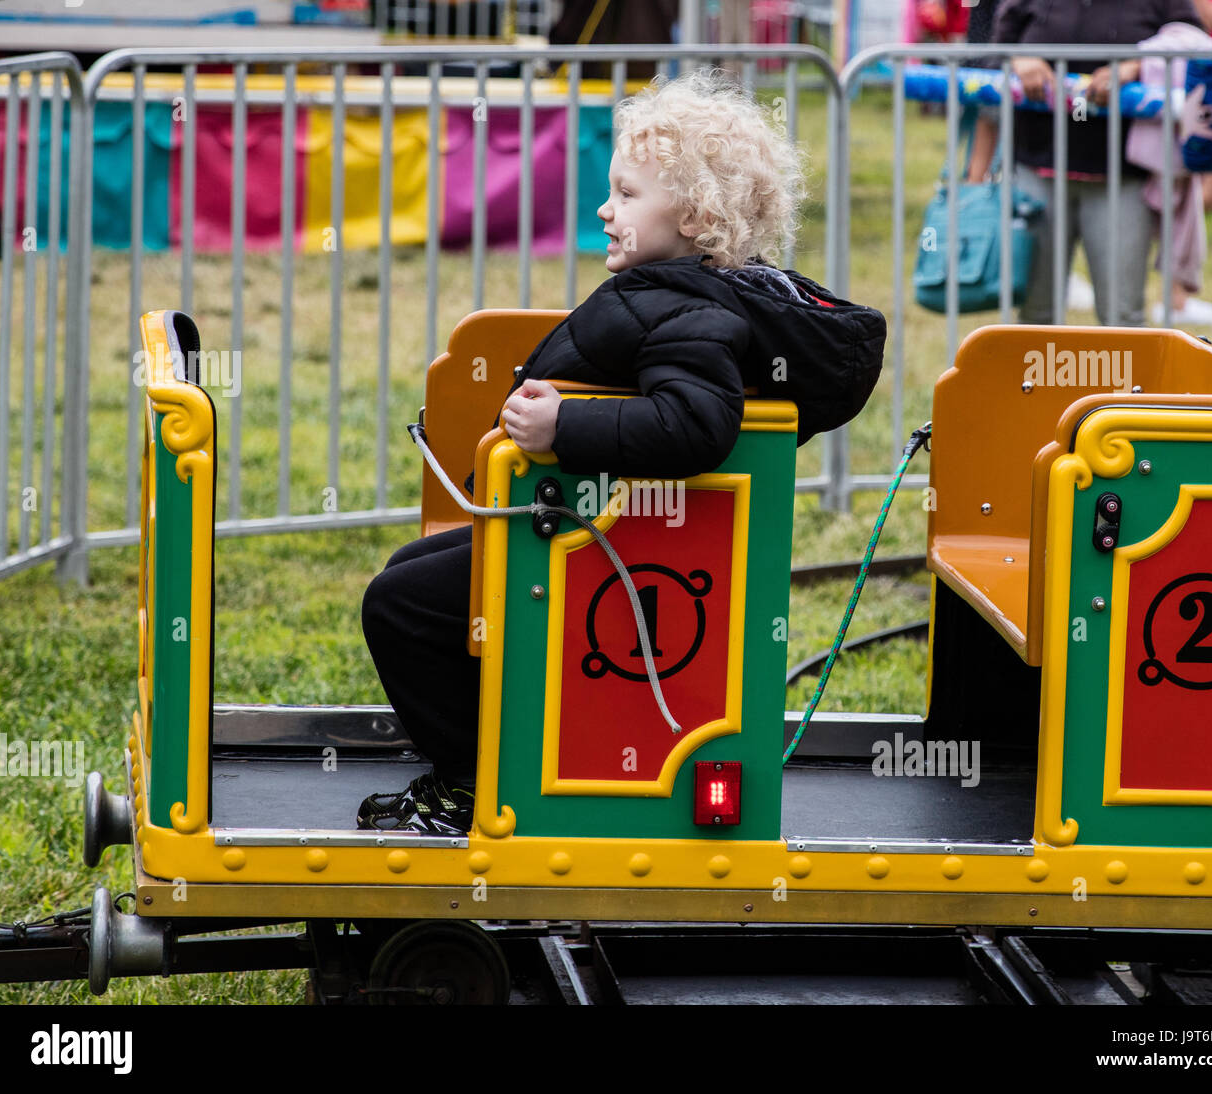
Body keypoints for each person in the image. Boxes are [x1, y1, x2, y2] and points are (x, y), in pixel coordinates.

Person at [357, 69, 886, 835]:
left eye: (628, 194)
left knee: (401, 607)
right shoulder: (686, 291)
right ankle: (509, 745)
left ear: (698, 215)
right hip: (578, 531)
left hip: (599, 551)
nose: (606, 208)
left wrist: (561, 430)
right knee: (413, 571)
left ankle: (475, 782)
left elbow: (695, 425)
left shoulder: (689, 313)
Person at [993, 0, 1205, 327]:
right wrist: (1018, 57)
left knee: (1122, 318)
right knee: (1035, 317)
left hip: (1122, 175)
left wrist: (1139, 65)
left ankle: (1126, 381)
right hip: (1037, 170)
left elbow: (1193, 40)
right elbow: (991, 49)